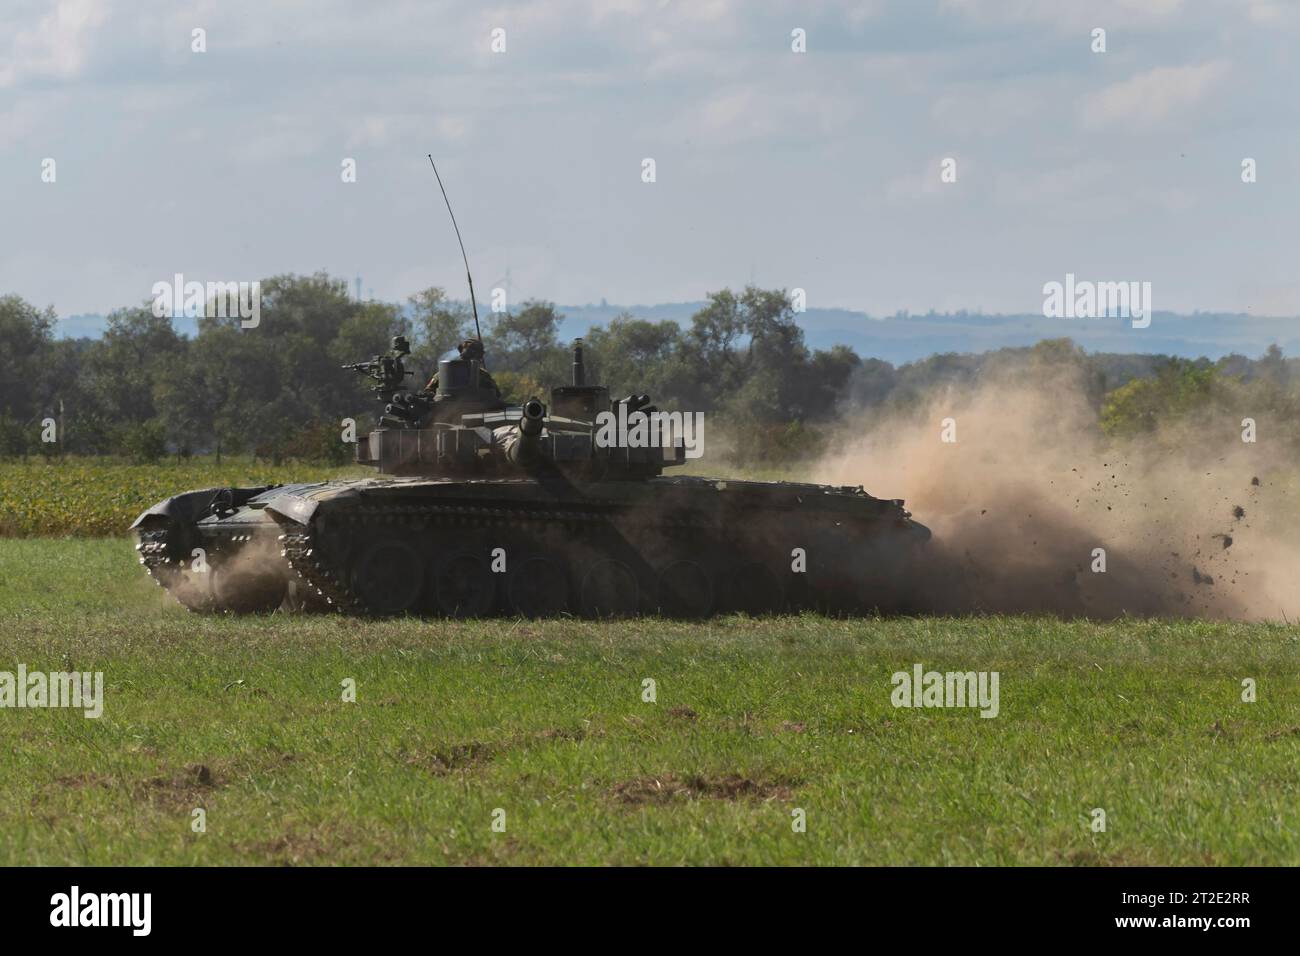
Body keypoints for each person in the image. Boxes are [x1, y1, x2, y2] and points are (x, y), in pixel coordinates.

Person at [422, 339, 500, 398]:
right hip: (476, 412)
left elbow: (428, 391)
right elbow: (496, 394)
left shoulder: (443, 374)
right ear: (479, 356)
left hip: (446, 414)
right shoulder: (483, 375)